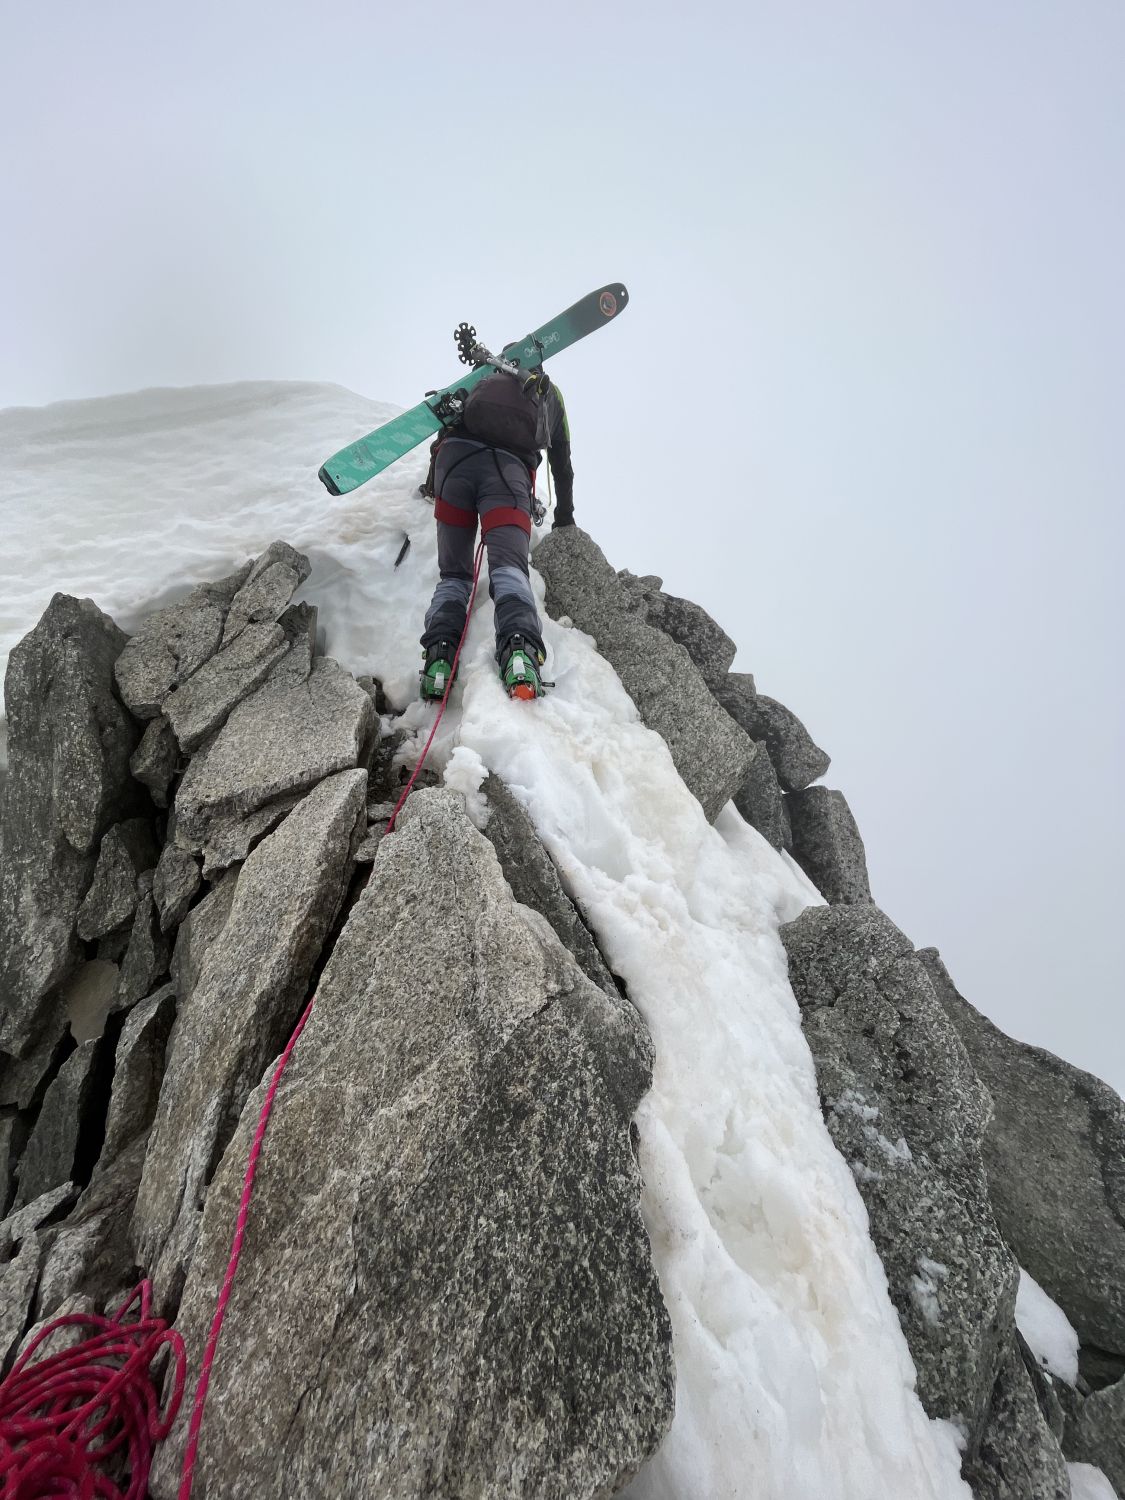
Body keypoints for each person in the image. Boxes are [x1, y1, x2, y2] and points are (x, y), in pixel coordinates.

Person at [418, 368, 574, 702]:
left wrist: (433, 486)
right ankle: (519, 655)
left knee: (454, 576)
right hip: (507, 474)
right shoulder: (549, 394)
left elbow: (446, 421)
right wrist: (565, 517)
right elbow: (562, 465)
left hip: (455, 465)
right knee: (508, 570)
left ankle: (439, 658)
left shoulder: (485, 374)